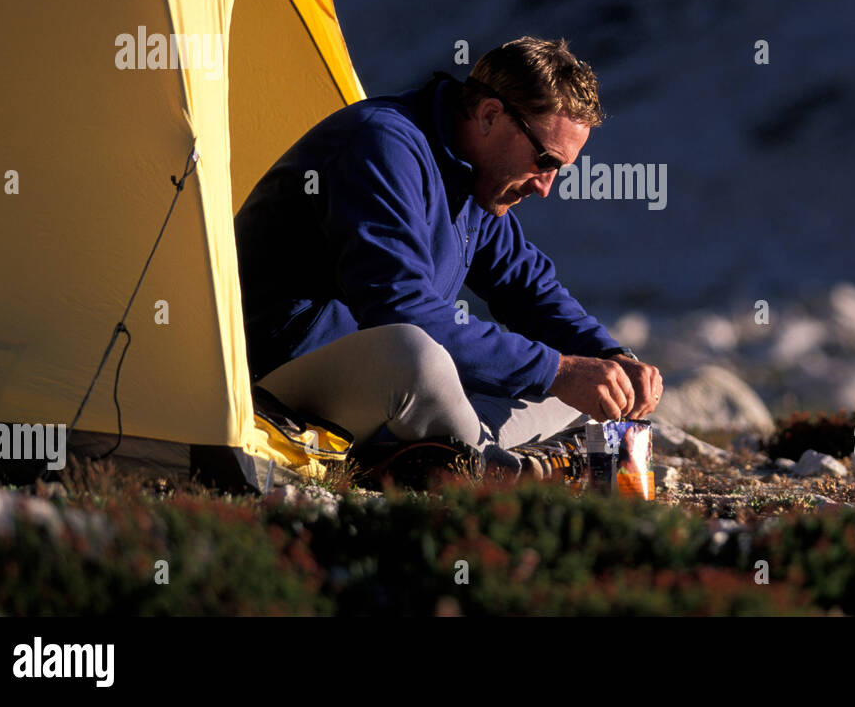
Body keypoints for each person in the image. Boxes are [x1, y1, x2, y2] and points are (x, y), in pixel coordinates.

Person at [234, 37, 663, 481]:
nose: (545, 186)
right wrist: (556, 369)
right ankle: (494, 471)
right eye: (544, 160)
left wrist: (609, 357)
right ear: (490, 115)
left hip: (379, 401)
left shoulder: (477, 177)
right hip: (278, 393)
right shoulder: (379, 145)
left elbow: (528, 287)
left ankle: (445, 458)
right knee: (415, 350)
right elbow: (401, 311)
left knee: (588, 385)